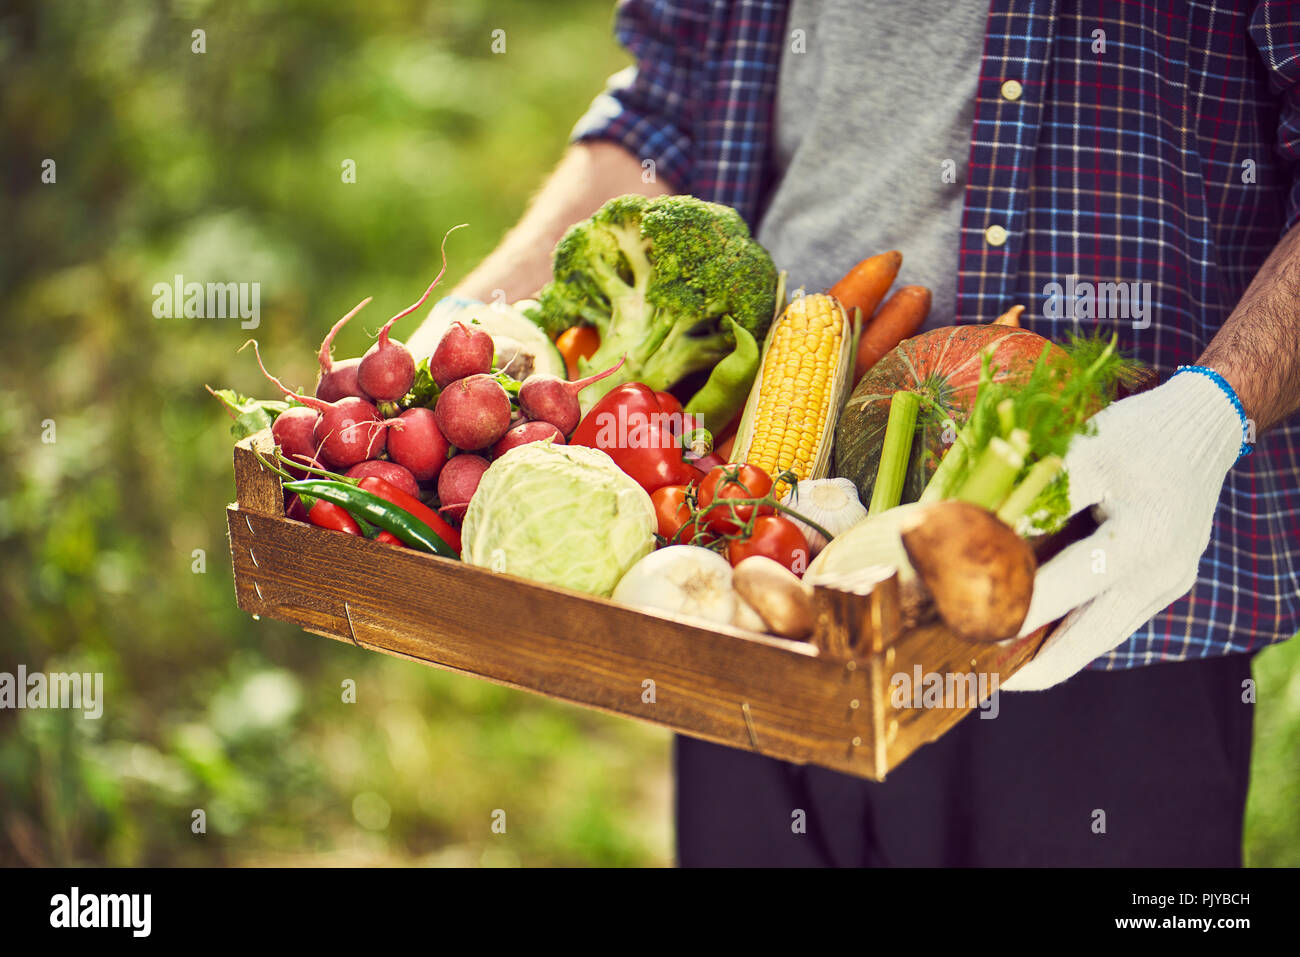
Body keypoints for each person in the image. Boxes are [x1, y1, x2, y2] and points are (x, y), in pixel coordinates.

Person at [410, 0, 1300, 866]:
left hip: (1102, 576)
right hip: (761, 578)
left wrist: (1212, 412)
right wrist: (467, 317)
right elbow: (662, 109)